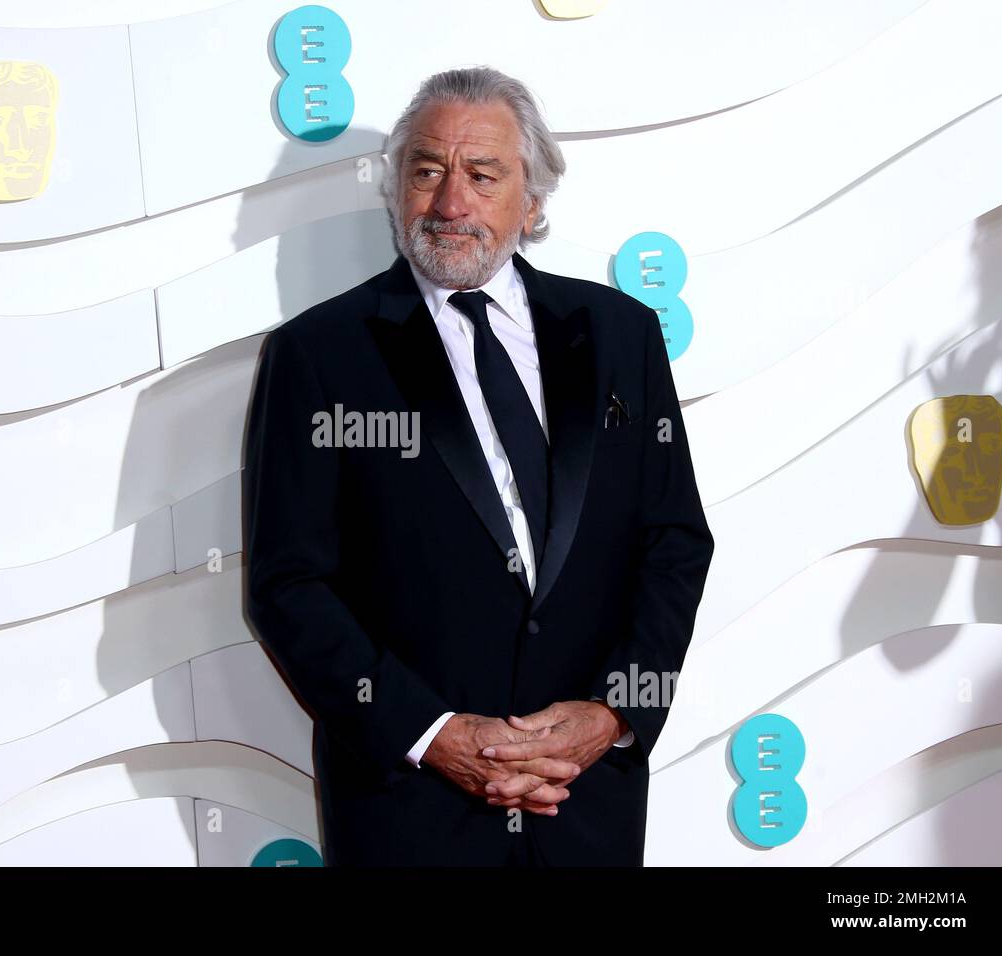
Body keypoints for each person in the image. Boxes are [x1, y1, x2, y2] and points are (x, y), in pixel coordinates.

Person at [242, 65, 714, 866]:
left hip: (585, 798)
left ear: (531, 202)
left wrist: (611, 714)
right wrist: (434, 736)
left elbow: (673, 541)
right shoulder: (319, 355)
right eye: (427, 171)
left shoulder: (621, 336)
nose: (450, 203)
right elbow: (289, 585)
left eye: (482, 175)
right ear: (396, 192)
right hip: (410, 809)